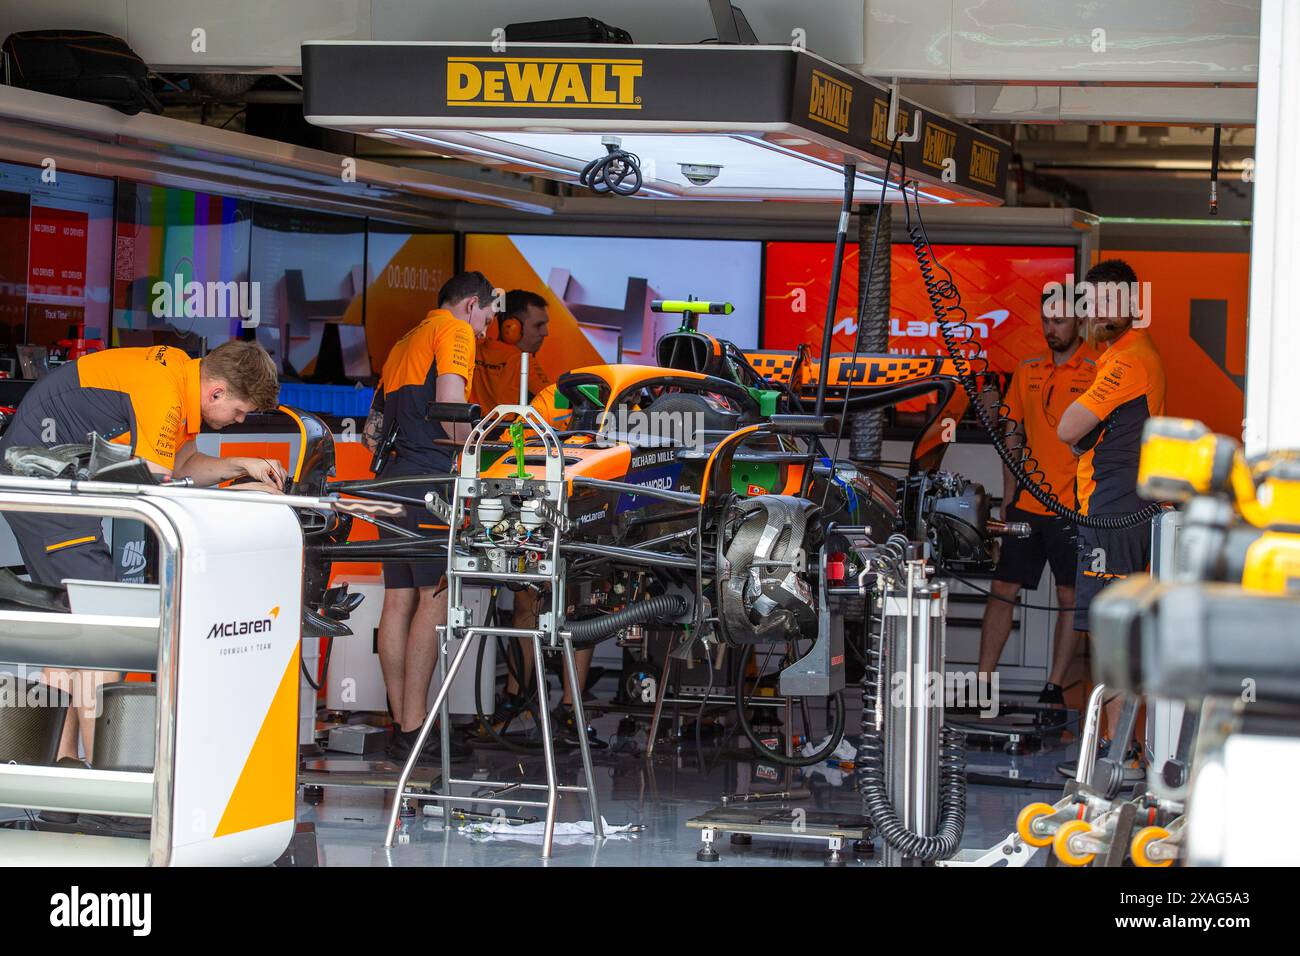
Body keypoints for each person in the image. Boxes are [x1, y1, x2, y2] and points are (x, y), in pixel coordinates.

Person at [0, 339, 284, 762]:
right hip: (45, 482)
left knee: (73, 627)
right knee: (102, 634)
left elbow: (183, 464)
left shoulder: (177, 378)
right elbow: (157, 489)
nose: (237, 420)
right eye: (239, 411)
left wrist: (241, 465)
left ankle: (61, 770)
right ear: (217, 391)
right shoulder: (162, 390)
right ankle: (102, 782)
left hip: (52, 482)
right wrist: (243, 492)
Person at [364, 271, 496, 763]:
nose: (485, 330)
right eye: (486, 316)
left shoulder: (405, 340)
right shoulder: (454, 330)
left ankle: (404, 724)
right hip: (429, 479)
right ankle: (419, 730)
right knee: (435, 598)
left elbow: (372, 432)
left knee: (398, 599)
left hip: (390, 481)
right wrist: (478, 457)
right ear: (469, 305)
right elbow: (450, 404)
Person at [1056, 258, 1165, 763]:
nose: (1100, 312)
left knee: (1111, 630)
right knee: (1106, 630)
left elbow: (1068, 428)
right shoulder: (1117, 357)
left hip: (1117, 510)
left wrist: (1082, 437)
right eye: (1093, 302)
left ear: (1131, 305)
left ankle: (1117, 750)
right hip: (1110, 506)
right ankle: (1117, 746)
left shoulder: (1127, 360)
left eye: (1110, 301)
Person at [977, 293, 1099, 706]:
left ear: (1079, 324)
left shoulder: (1098, 370)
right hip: (1028, 506)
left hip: (1074, 509)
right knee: (1001, 588)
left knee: (1070, 597)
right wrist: (1009, 495)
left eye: (1060, 321)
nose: (1052, 329)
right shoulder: (1028, 369)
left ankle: (1054, 687)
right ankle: (981, 685)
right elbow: (1011, 433)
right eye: (1047, 320)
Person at [487, 382, 601, 747]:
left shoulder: (623, 403)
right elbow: (512, 442)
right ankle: (520, 693)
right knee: (526, 600)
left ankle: (570, 708)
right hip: (537, 503)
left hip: (592, 506)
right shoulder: (551, 396)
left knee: (582, 605)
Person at [469, 289, 553, 414]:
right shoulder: (521, 360)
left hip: (471, 429)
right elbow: (553, 398)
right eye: (538, 325)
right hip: (506, 431)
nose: (545, 333)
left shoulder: (472, 348)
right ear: (511, 327)